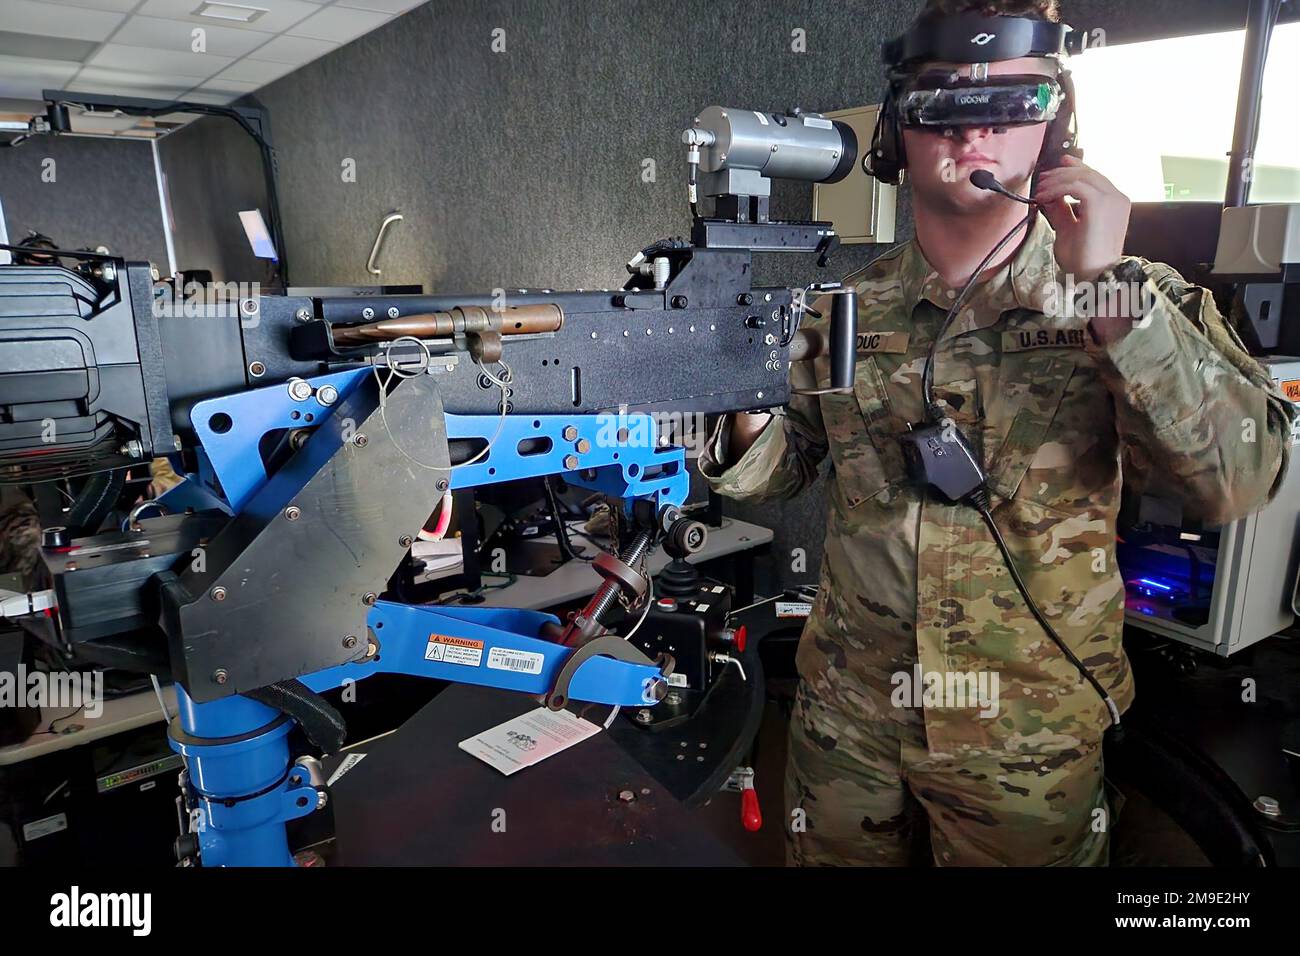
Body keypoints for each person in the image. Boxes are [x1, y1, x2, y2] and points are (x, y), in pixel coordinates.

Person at [699, 0, 1295, 866]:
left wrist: (1108, 293)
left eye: (1013, 102)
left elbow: (1235, 481)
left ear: (1056, 130)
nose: (974, 131)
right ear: (898, 130)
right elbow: (779, 469)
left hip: (1025, 733)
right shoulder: (841, 311)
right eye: (944, 100)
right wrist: (735, 395)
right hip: (850, 716)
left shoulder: (1127, 297)